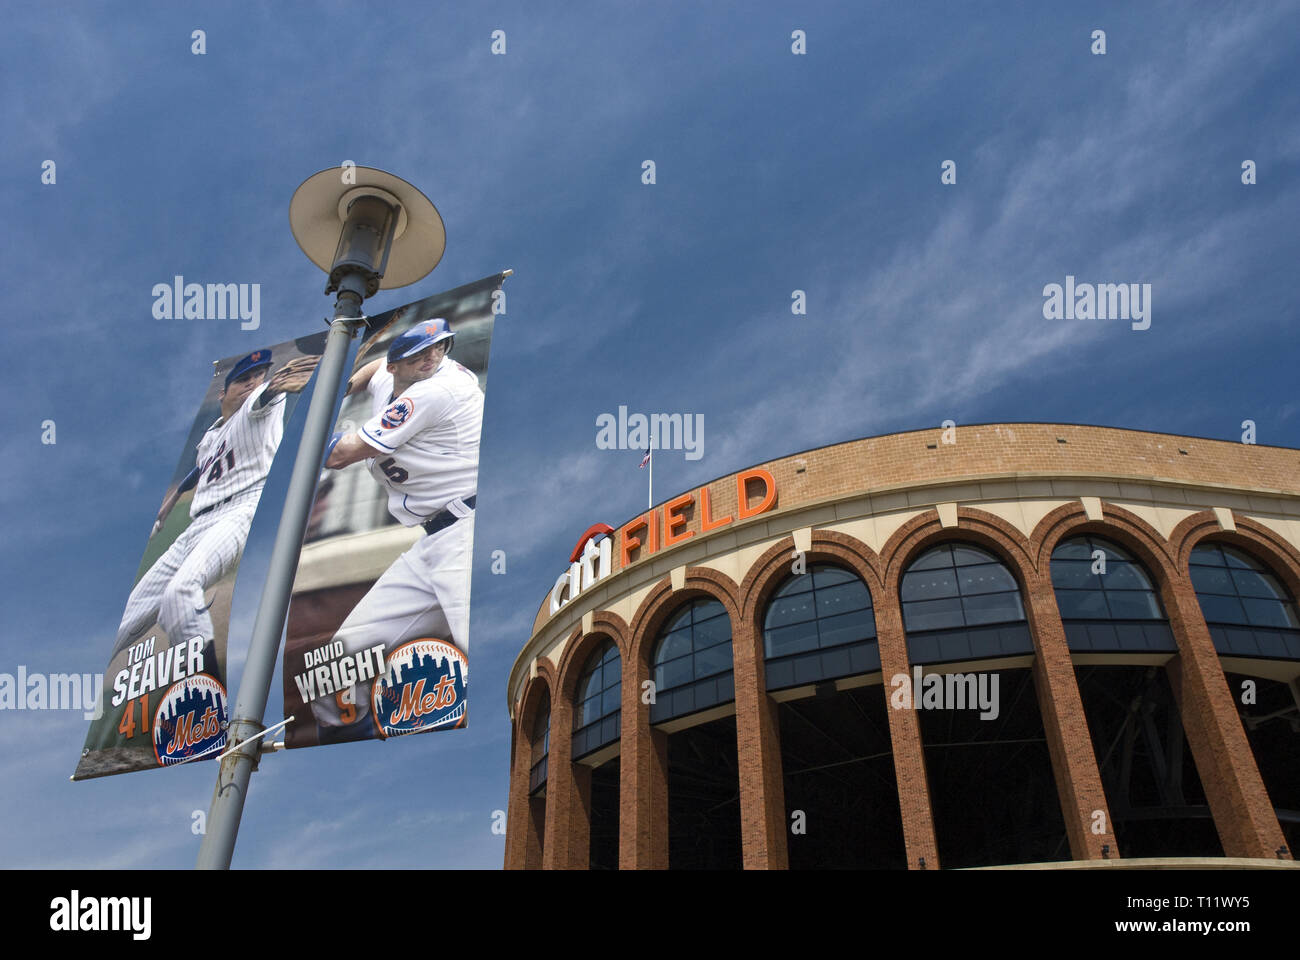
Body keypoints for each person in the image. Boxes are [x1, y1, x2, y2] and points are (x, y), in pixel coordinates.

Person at [310, 318, 482, 740]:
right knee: (333, 673)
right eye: (417, 353)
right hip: (434, 541)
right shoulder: (390, 378)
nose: (431, 358)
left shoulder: (436, 388)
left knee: (493, 667)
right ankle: (357, 764)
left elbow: (339, 454)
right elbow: (371, 375)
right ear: (394, 363)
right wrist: (343, 383)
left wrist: (308, 413)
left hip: (471, 534)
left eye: (439, 347)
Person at [114, 349, 320, 660]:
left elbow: (269, 392)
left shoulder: (260, 404)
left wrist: (283, 382)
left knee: (180, 593)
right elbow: (200, 469)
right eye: (243, 380)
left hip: (239, 511)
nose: (252, 383)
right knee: (127, 616)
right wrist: (170, 502)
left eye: (257, 376)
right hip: (197, 526)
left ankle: (203, 680)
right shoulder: (211, 436)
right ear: (223, 392)